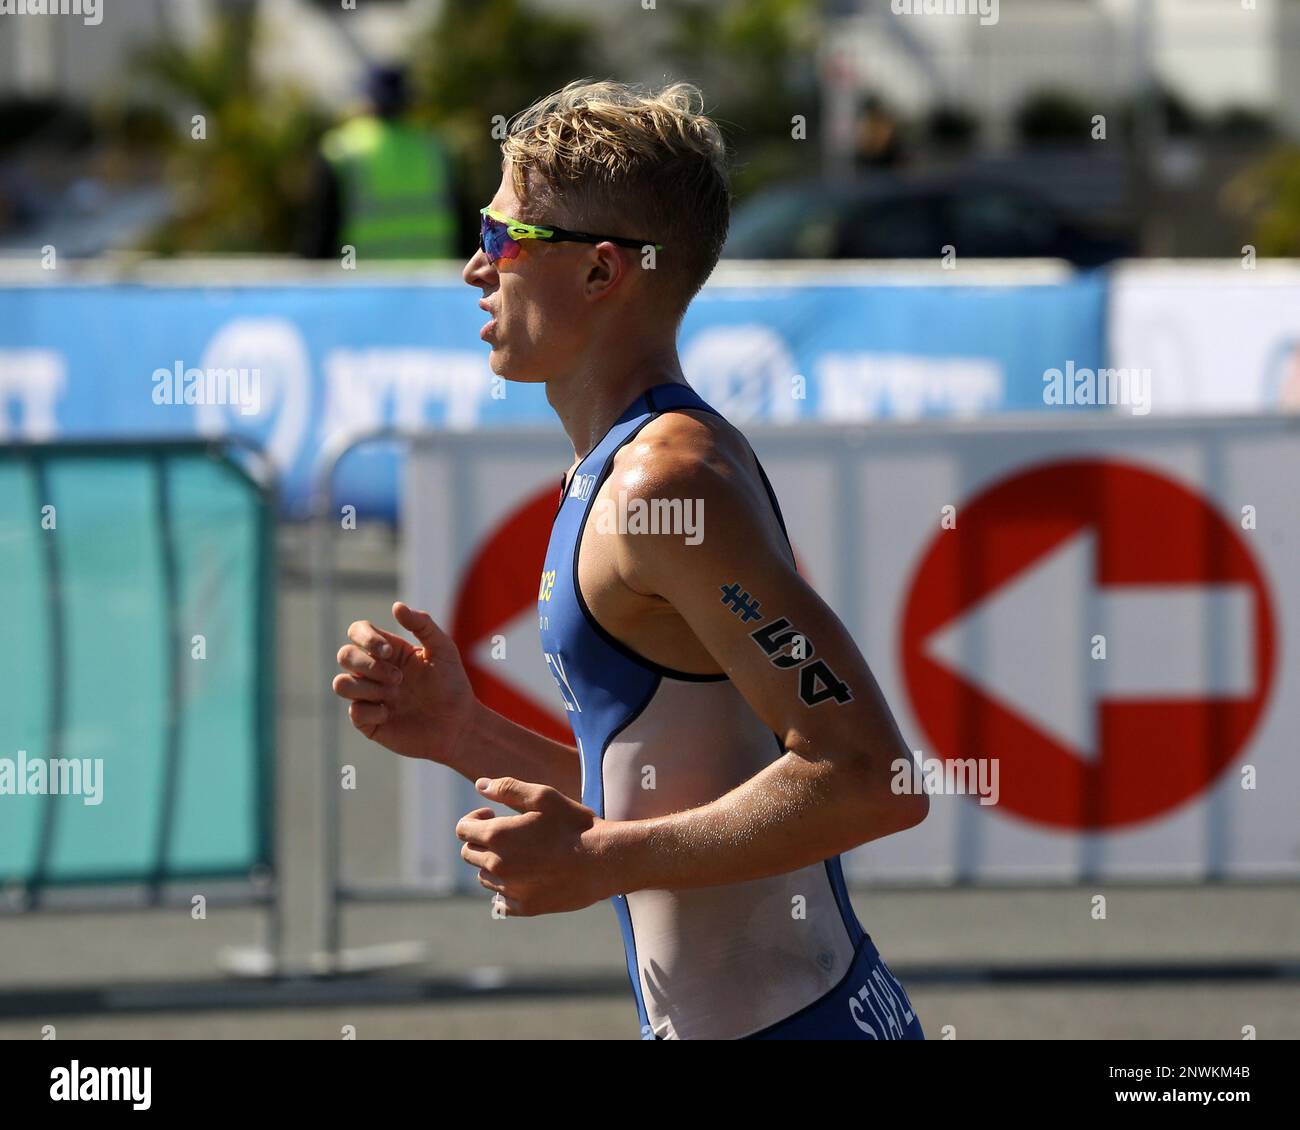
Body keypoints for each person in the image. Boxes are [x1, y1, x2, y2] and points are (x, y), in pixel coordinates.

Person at [331, 80, 928, 1040]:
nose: (473, 269)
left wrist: (604, 860)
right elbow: (685, 785)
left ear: (603, 273)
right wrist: (463, 734)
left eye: (502, 237)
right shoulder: (623, 468)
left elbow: (871, 779)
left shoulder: (666, 482)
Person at [298, 65, 462, 260]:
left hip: (360, 282)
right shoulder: (435, 149)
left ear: (367, 100)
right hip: (434, 283)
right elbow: (466, 224)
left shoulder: (342, 150)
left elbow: (320, 233)